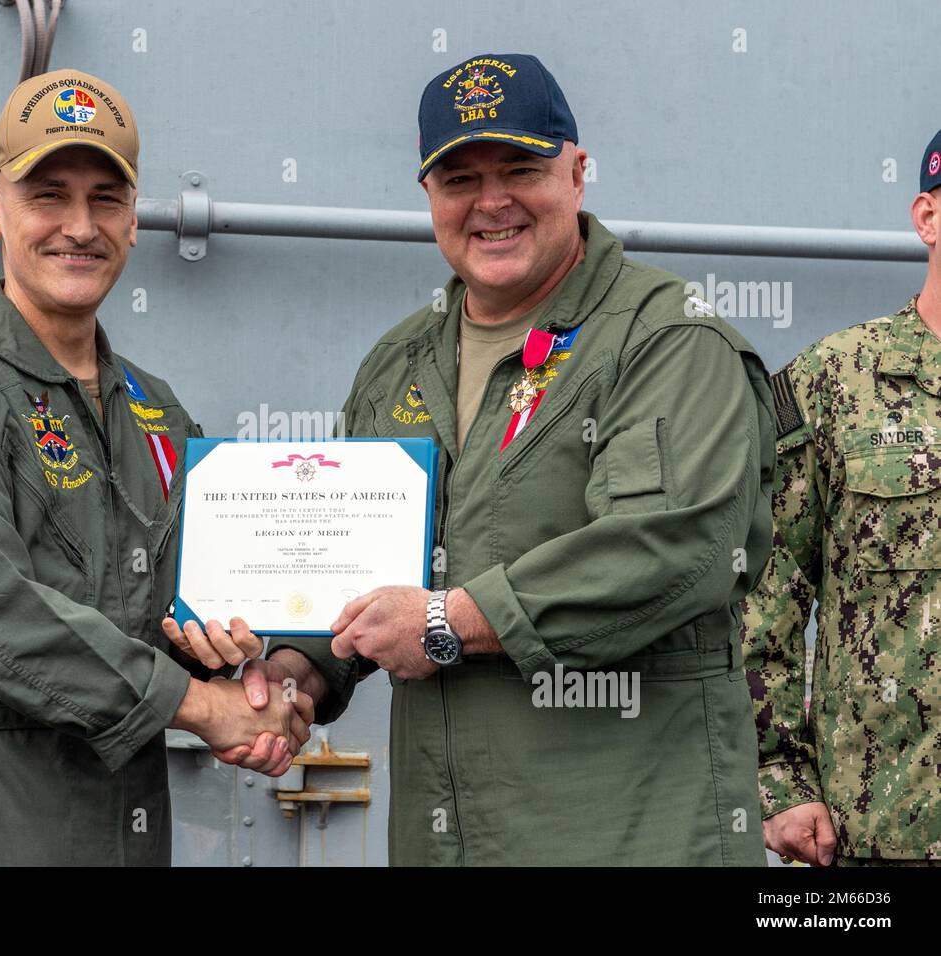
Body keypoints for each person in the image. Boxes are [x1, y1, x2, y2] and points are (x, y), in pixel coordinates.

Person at [193, 52, 777, 865]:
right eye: (460, 177)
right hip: (446, 839)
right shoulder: (398, 366)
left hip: (634, 836)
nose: (491, 201)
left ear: (577, 174)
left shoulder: (668, 339)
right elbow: (353, 591)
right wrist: (293, 683)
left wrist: (447, 622)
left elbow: (672, 553)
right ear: (428, 196)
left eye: (520, 167)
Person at [0, 68, 309, 866]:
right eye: (47, 194)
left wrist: (260, 675)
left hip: (125, 823)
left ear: (131, 223)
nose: (79, 227)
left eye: (106, 199)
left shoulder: (156, 412)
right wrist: (201, 706)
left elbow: (192, 603)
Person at [740, 129, 941, 867]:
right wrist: (780, 778)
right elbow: (764, 590)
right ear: (927, 217)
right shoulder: (837, 381)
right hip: (880, 836)